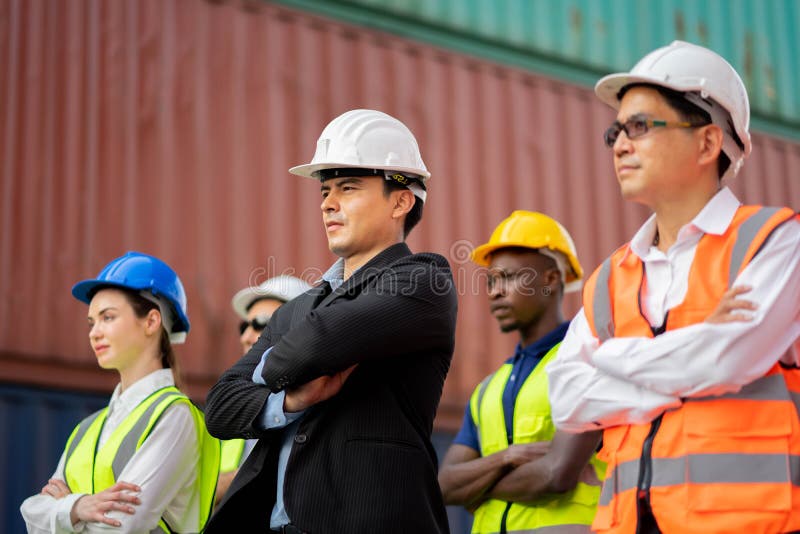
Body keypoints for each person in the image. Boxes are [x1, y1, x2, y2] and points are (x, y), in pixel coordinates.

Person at [546, 40, 800, 534]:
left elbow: (725, 361)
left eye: (639, 126)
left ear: (707, 144)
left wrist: (609, 356)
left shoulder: (776, 241)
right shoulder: (609, 278)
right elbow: (566, 398)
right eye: (615, 130)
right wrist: (686, 370)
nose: (620, 144)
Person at [204, 109, 458, 533]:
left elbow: (314, 344)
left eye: (349, 187)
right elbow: (219, 408)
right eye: (325, 191)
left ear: (401, 200)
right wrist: (289, 401)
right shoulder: (297, 307)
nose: (327, 203)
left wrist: (263, 371)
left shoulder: (423, 281)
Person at [20, 251, 220, 533]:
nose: (94, 332)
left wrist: (63, 513)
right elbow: (31, 516)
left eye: (108, 318)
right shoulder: (86, 429)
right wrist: (79, 507)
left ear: (151, 322)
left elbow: (122, 526)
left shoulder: (175, 416)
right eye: (91, 322)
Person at [439, 210, 605, 533]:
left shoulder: (587, 361)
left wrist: (478, 487)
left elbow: (556, 475)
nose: (493, 292)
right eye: (490, 281)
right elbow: (445, 485)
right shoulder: (487, 390)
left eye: (509, 277)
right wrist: (507, 457)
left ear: (551, 279)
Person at [217, 275, 311, 505]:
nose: (246, 336)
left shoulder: (317, 409)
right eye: (244, 326)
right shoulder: (232, 405)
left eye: (261, 324)